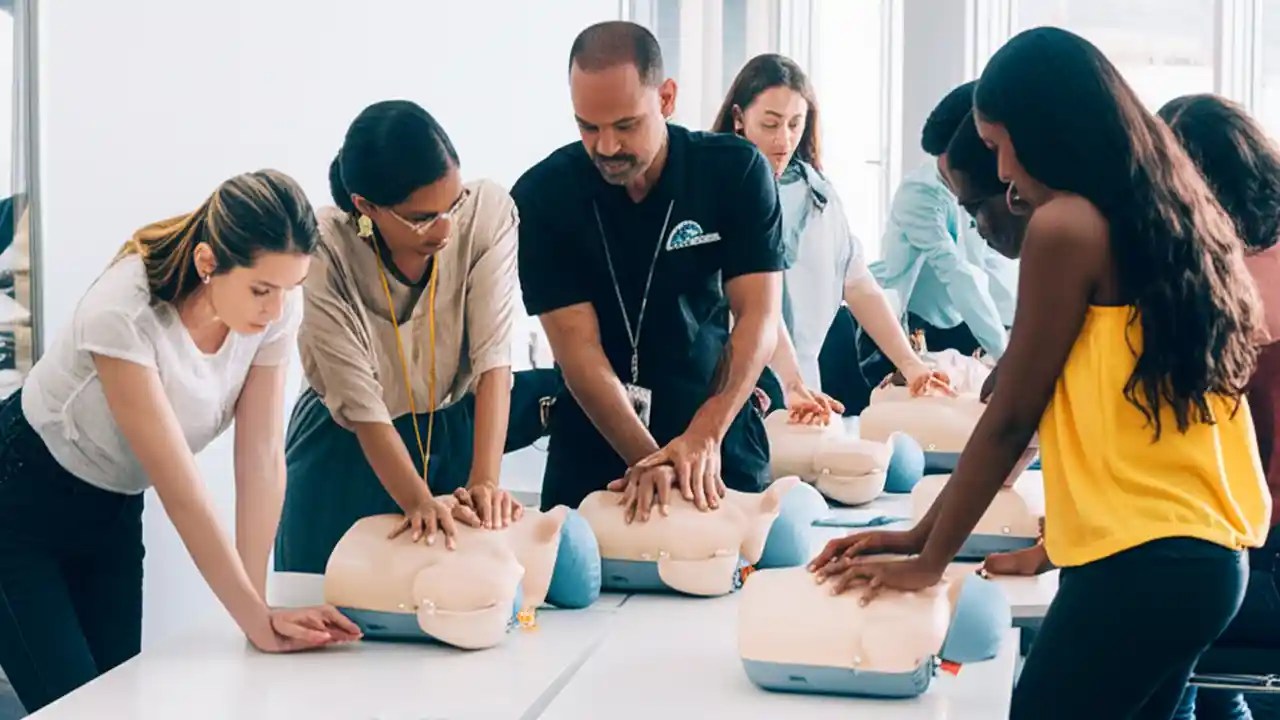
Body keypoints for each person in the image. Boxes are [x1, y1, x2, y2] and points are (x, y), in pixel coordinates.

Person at [809, 28, 1271, 719]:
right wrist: (917, 534)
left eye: (997, 147)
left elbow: (1011, 416)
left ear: (1043, 132)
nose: (1000, 175)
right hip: (1206, 562)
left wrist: (930, 559)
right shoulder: (1168, 218)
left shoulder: (1068, 227)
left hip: (1141, 564)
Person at [0, 170, 361, 714]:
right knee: (75, 708)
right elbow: (182, 490)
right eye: (262, 290)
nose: (276, 309)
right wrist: (253, 621)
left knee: (121, 702)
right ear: (207, 263)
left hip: (113, 506)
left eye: (290, 290)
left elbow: (261, 459)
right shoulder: (123, 311)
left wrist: (257, 605)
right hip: (20, 500)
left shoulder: (273, 314)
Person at [274, 101, 562, 574]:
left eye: (452, 205)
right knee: (328, 607)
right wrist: (417, 501)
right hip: (344, 444)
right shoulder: (326, 249)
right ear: (366, 207)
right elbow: (360, 403)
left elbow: (494, 360)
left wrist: (485, 481)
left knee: (440, 601)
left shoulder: (485, 215)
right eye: (423, 217)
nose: (445, 228)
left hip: (444, 430)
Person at [512, 21, 784, 521]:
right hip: (597, 452)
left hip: (716, 439)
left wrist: (703, 437)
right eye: (588, 127)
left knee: (729, 584)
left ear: (666, 98)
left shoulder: (734, 172)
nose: (607, 147)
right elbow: (578, 353)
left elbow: (758, 318)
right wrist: (650, 460)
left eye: (625, 125)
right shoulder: (543, 197)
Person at [709, 53, 950, 422]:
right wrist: (789, 381)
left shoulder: (816, 194)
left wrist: (911, 363)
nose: (783, 139)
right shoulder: (716, 190)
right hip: (731, 391)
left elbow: (858, 285)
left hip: (803, 391)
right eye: (770, 124)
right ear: (739, 119)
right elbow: (757, 306)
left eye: (795, 124)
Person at [860, 81, 1018, 387]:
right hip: (901, 325)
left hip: (959, 320)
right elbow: (957, 274)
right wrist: (1008, 357)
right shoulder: (920, 193)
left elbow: (988, 267)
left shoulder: (986, 183)